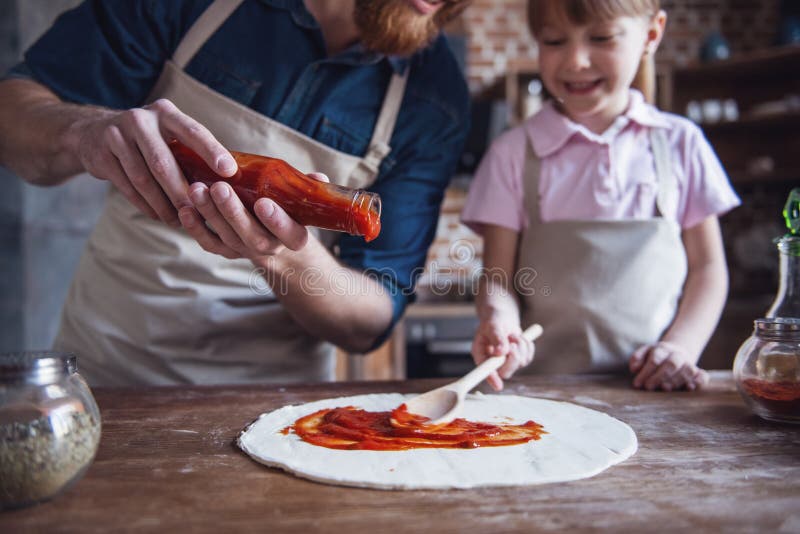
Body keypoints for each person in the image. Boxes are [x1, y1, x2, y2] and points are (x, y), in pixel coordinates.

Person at [0, 0, 471, 386]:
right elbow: (11, 118)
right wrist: (84, 133)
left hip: (269, 404)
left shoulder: (435, 96)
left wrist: (284, 256)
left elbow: (370, 319)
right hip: (108, 374)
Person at [462, 0, 740, 392]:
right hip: (544, 392)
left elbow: (709, 270)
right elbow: (498, 278)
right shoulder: (512, 154)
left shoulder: (679, 143)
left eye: (601, 38)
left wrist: (680, 348)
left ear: (651, 34)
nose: (576, 61)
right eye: (555, 41)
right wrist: (499, 319)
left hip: (655, 389)